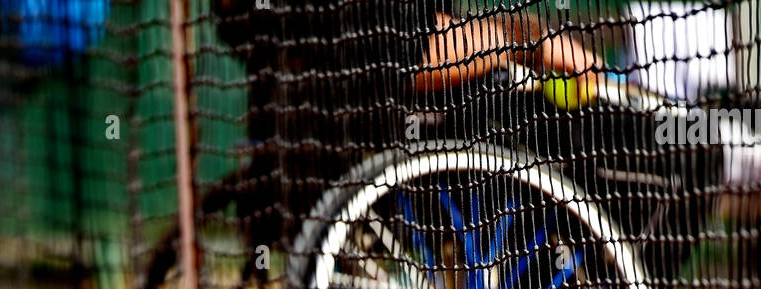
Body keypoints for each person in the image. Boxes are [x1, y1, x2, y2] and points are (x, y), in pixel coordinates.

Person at [212, 1, 598, 242]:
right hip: (385, 166)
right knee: (565, 140)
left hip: (293, 162)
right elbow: (410, 49)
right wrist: (533, 42)